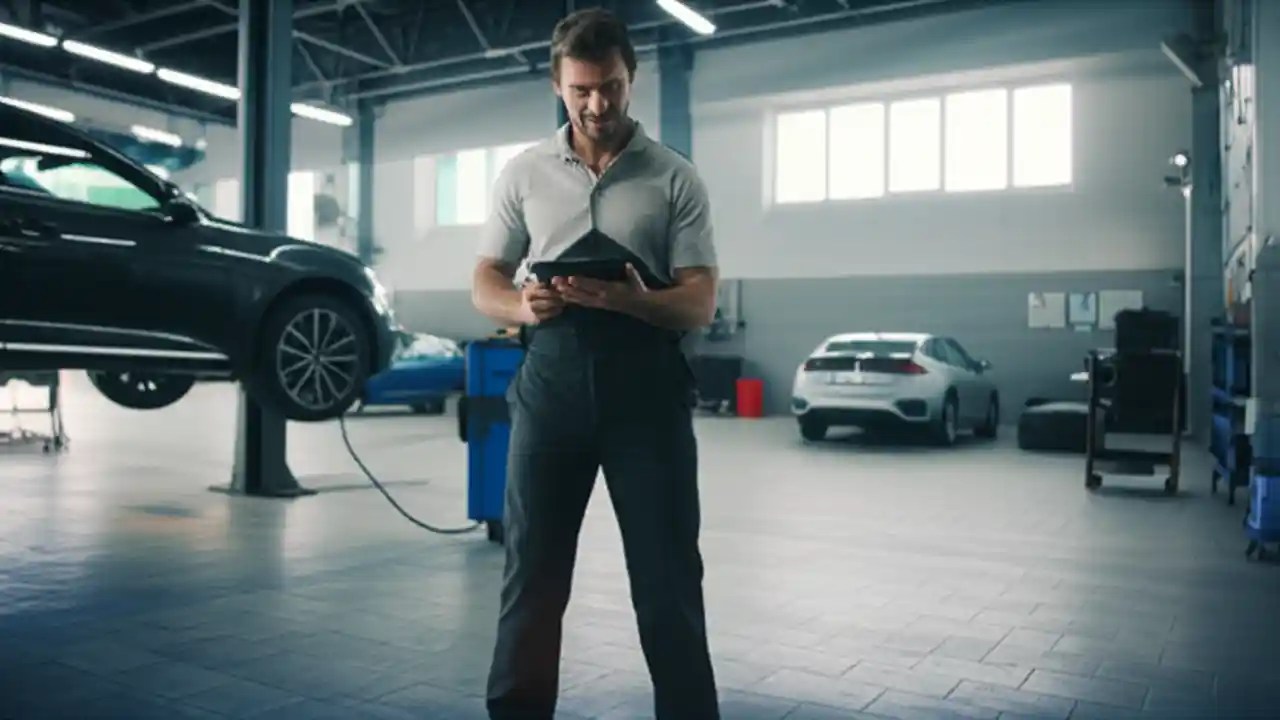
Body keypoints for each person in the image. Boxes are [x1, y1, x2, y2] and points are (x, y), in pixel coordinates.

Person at [470, 8, 721, 720]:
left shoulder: (674, 177)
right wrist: (524, 307)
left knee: (667, 579)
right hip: (549, 385)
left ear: (631, 79)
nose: (597, 104)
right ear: (558, 83)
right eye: (581, 89)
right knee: (533, 577)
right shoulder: (523, 174)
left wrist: (636, 300)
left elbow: (700, 300)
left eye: (610, 86)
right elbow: (484, 279)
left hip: (646, 392)